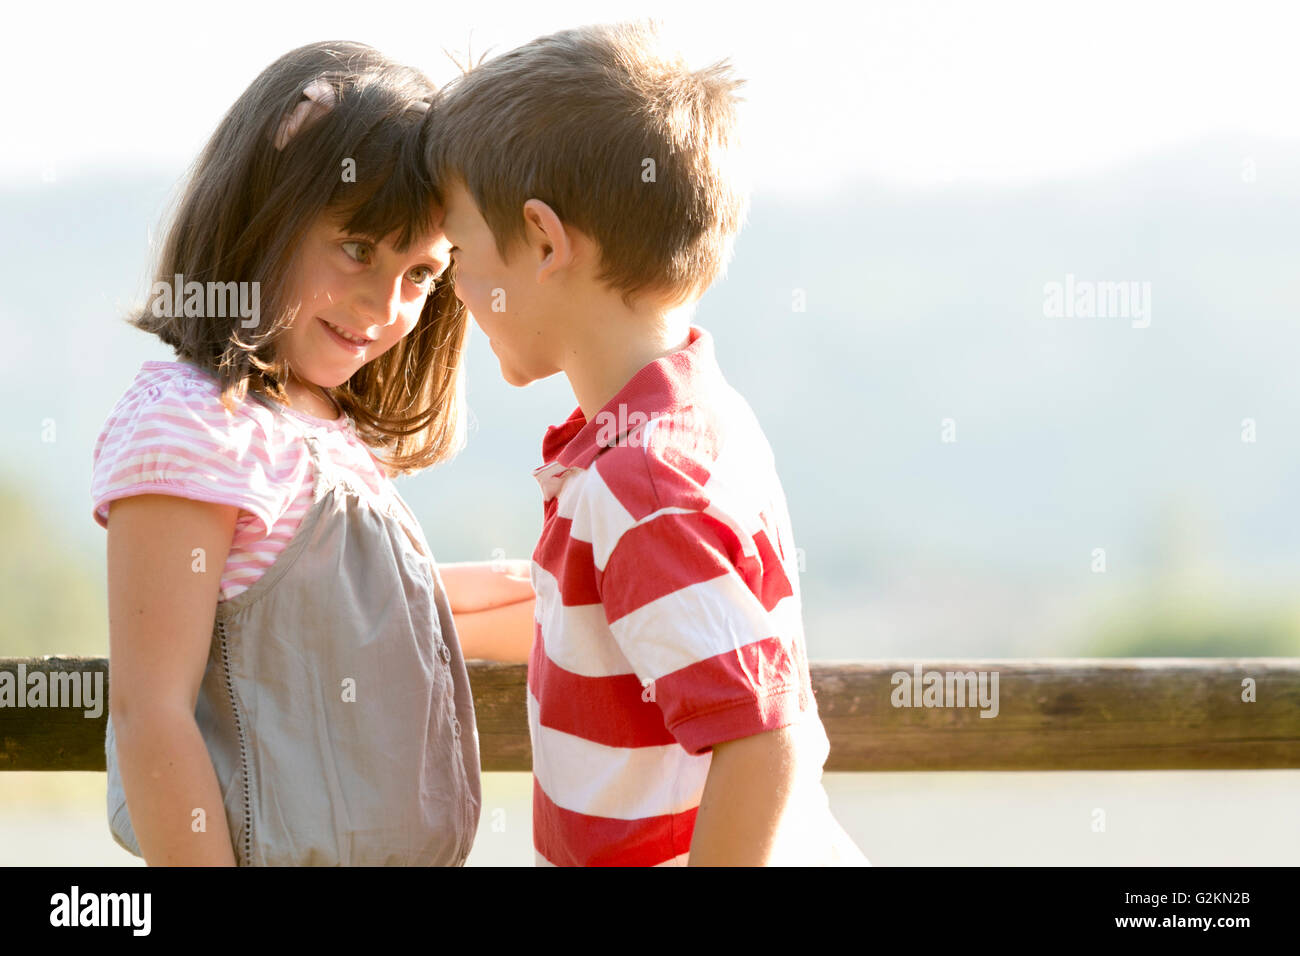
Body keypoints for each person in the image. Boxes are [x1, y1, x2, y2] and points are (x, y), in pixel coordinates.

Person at [426, 20, 868, 866]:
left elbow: (762, 735)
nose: (453, 281)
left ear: (545, 240)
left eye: (457, 245)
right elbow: (608, 623)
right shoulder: (695, 423)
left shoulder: (640, 484)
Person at [91, 40, 533, 866]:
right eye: (358, 249)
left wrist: (556, 592)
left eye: (421, 273)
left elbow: (323, 608)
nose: (384, 304)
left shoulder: (322, 425)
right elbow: (151, 712)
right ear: (265, 211)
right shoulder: (197, 424)